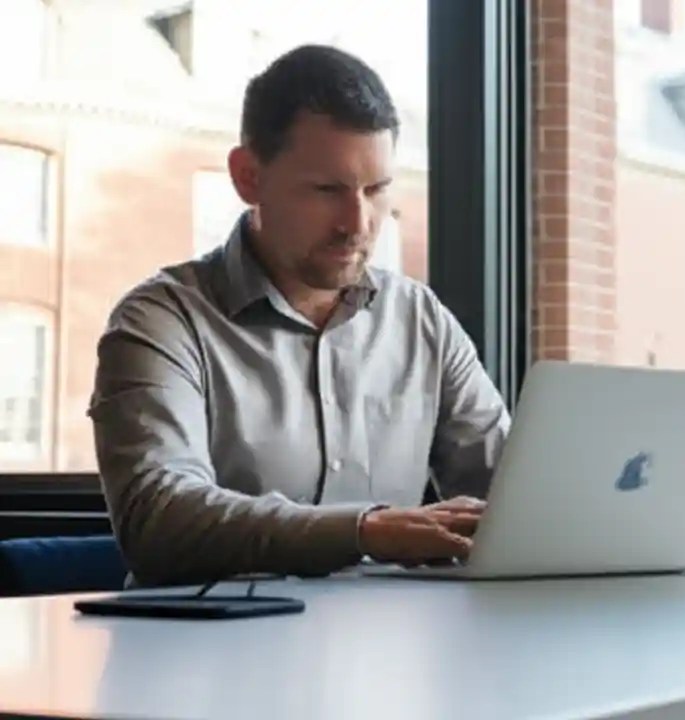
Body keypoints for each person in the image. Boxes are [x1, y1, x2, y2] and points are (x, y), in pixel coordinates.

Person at [88, 45, 510, 587]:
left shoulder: (421, 319)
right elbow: (159, 518)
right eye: (327, 190)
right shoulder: (163, 321)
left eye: (377, 189)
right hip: (207, 656)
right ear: (248, 177)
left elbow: (511, 496)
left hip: (388, 653)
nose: (357, 223)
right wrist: (363, 531)